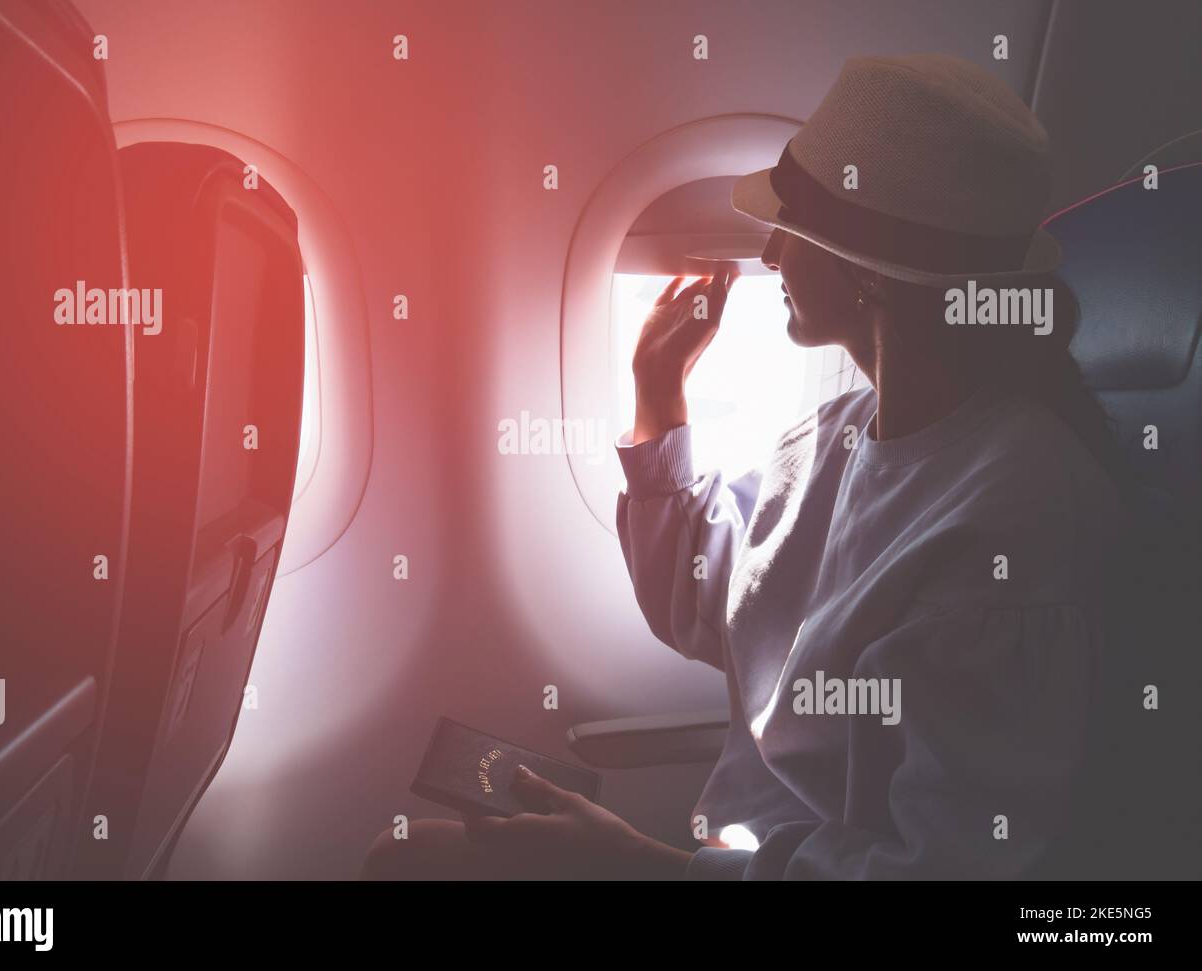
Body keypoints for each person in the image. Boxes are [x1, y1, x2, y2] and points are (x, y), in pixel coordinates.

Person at [362, 53, 1122, 880]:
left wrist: (640, 865)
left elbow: (951, 866)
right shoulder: (844, 432)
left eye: (788, 227)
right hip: (727, 858)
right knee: (398, 858)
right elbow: (712, 596)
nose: (766, 252)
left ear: (866, 274)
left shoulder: (1008, 527)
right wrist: (658, 393)